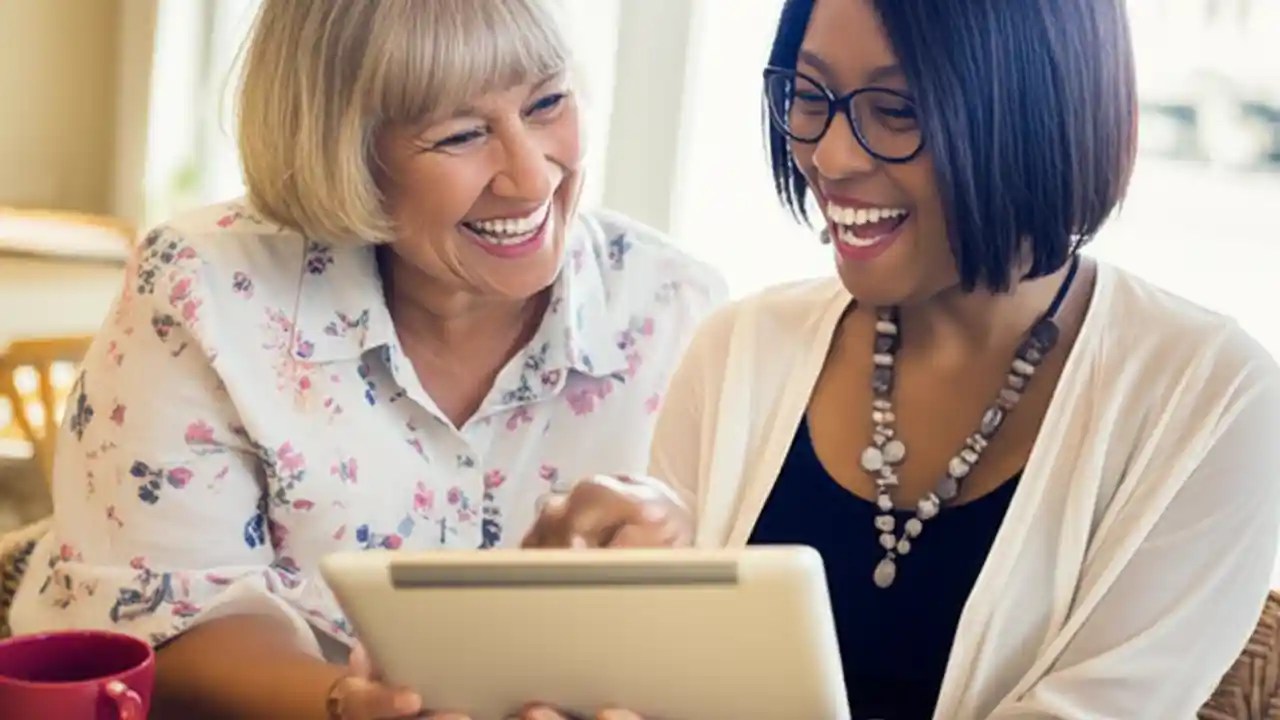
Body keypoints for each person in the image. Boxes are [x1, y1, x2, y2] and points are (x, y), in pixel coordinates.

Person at [522, 0, 1280, 718]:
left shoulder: (1214, 403)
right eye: (810, 96)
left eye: (898, 110)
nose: (830, 155)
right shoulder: (739, 349)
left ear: (1043, 116)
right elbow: (657, 683)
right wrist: (578, 635)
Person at [8, 1, 723, 718]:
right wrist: (355, 705)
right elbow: (167, 616)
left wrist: (692, 552)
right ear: (342, 150)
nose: (533, 179)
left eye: (547, 103)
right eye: (462, 134)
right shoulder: (205, 288)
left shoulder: (678, 307)